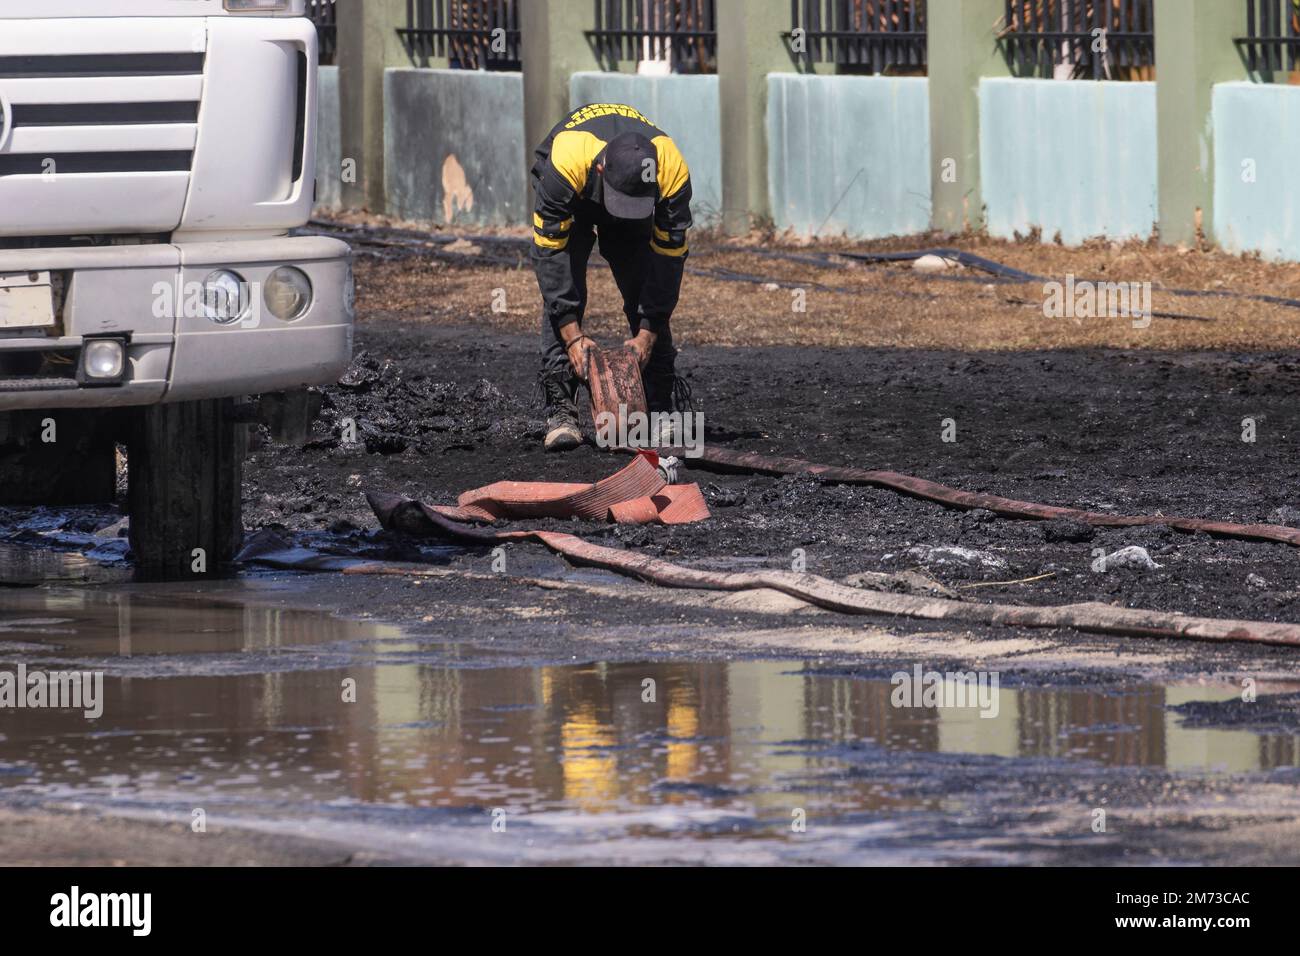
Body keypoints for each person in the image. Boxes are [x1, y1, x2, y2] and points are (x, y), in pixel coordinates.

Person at [530, 103, 693, 452]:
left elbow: (668, 262)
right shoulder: (565, 162)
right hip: (574, 196)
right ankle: (561, 411)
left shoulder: (671, 171)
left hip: (627, 192)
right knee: (565, 279)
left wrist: (648, 334)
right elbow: (550, 256)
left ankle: (661, 405)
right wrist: (573, 338)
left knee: (642, 275)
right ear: (602, 168)